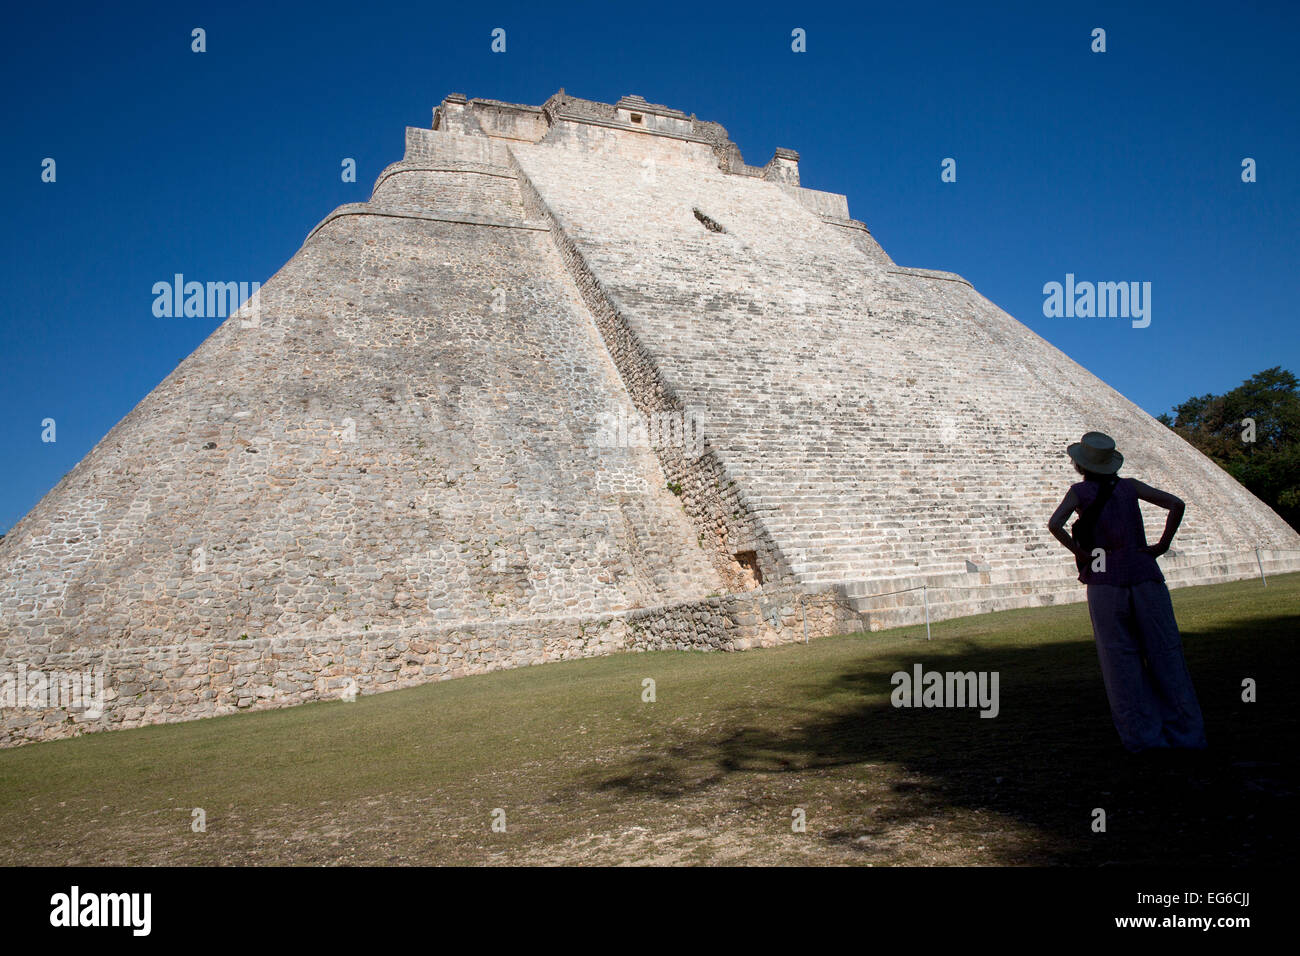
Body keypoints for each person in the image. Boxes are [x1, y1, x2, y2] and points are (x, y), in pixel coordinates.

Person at [1047, 431, 1207, 753]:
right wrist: (1162, 545)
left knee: (1119, 658)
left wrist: (1080, 552)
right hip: (1143, 569)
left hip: (1104, 575)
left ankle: (1143, 738)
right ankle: (1187, 733)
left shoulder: (1080, 491)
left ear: (1081, 464)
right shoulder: (1130, 486)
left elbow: (1055, 524)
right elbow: (1176, 504)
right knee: (1166, 652)